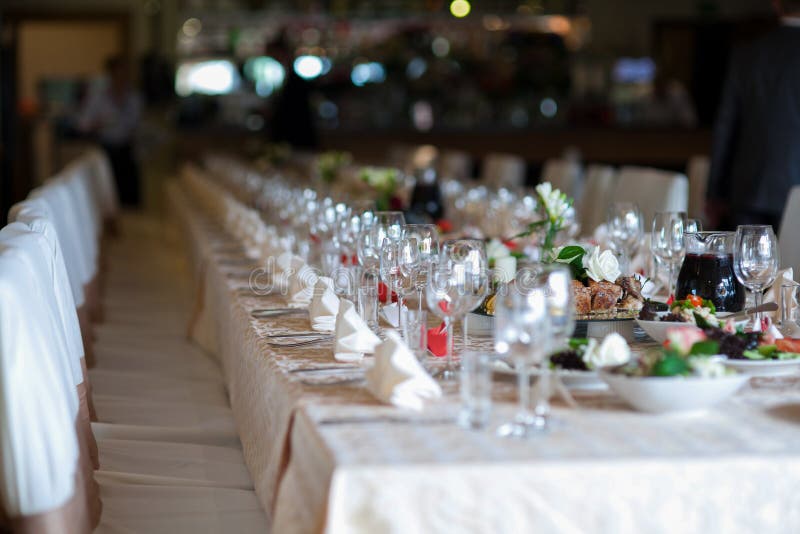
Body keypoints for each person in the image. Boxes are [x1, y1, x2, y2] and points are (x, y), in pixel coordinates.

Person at [706, 0, 800, 231]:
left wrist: (714, 193)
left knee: (747, 266)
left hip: (749, 189)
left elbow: (725, 126)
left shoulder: (747, 54)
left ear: (776, 4)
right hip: (795, 188)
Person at [78, 55, 143, 206]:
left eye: (124, 73)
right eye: (117, 73)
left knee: (130, 196)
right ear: (111, 75)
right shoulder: (98, 98)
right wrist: (99, 124)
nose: (121, 78)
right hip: (107, 149)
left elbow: (138, 124)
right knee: (107, 194)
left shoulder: (134, 98)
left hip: (128, 149)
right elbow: (83, 123)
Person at [265, 32, 318, 149]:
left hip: (296, 140)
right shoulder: (286, 76)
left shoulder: (295, 79)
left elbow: (294, 113)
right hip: (292, 140)